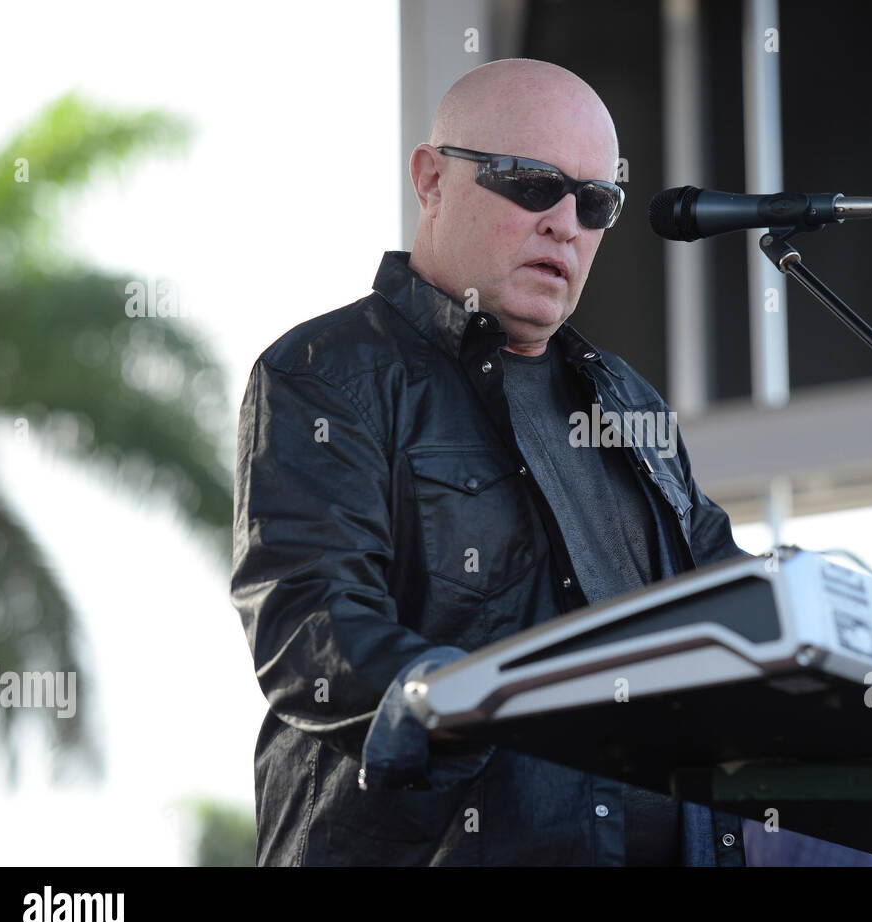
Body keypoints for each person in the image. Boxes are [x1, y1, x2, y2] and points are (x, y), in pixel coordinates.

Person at [230, 57, 750, 865]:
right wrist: (467, 697)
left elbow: (734, 600)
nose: (565, 223)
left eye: (594, 202)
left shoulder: (631, 404)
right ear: (431, 179)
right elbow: (308, 623)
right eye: (532, 184)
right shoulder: (323, 372)